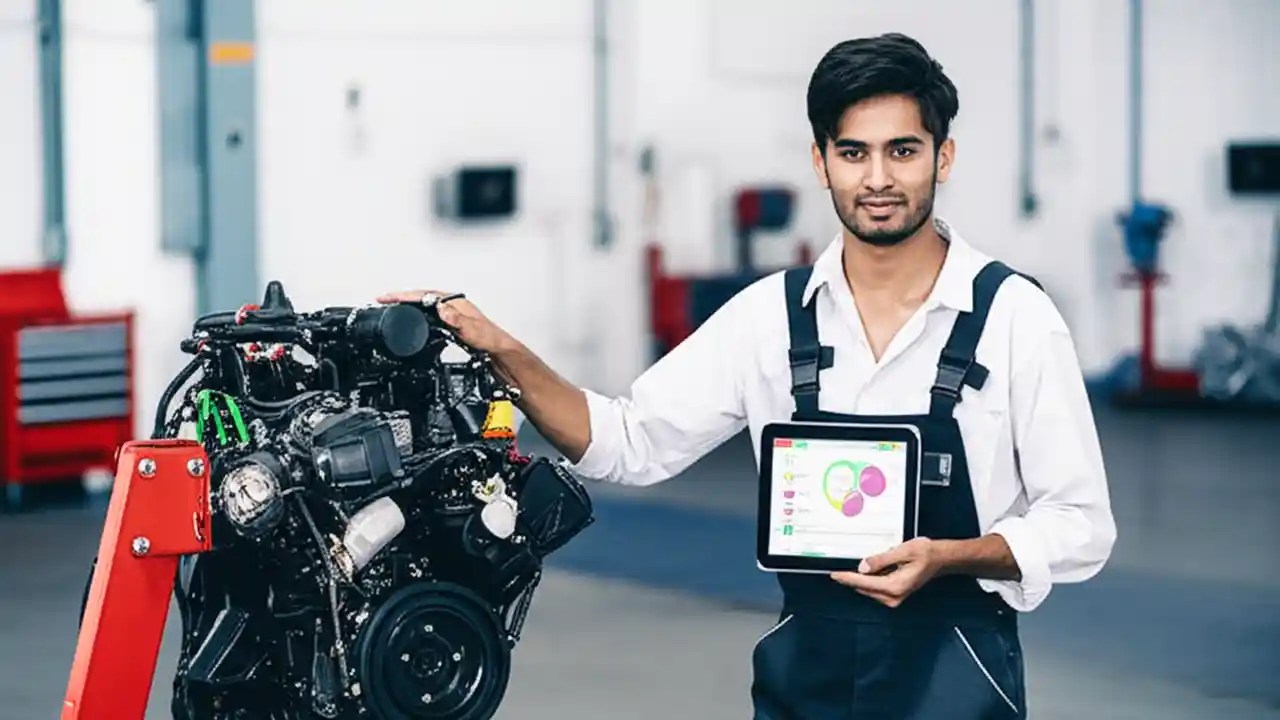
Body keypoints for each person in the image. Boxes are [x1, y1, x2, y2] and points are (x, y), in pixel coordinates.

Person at [379, 32, 1116, 720]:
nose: (880, 179)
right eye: (854, 153)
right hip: (807, 677)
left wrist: (951, 557)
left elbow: (1081, 525)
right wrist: (500, 346)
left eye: (903, 151)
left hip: (958, 676)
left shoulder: (1014, 317)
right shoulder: (769, 318)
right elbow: (626, 442)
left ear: (943, 157)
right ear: (821, 161)